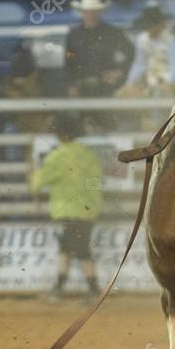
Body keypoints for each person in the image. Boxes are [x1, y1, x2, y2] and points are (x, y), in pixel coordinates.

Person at [30, 114, 104, 300]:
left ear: (61, 135)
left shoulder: (57, 156)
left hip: (69, 210)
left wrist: (33, 176)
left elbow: (38, 183)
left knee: (79, 248)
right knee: (68, 245)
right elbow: (97, 181)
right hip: (89, 209)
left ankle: (92, 288)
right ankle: (60, 286)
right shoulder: (88, 154)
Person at [64, 0, 134, 98]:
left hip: (107, 87)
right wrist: (71, 85)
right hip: (81, 88)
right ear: (82, 13)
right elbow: (69, 59)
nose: (90, 15)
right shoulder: (73, 35)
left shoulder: (113, 33)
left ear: (100, 12)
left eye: (94, 11)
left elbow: (131, 52)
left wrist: (120, 71)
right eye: (87, 11)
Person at [116, 4, 175, 96]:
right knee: (124, 93)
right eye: (147, 26)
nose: (149, 29)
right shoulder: (142, 39)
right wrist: (130, 83)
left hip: (169, 83)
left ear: (162, 25)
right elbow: (139, 64)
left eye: (151, 26)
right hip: (148, 81)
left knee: (166, 91)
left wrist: (161, 82)